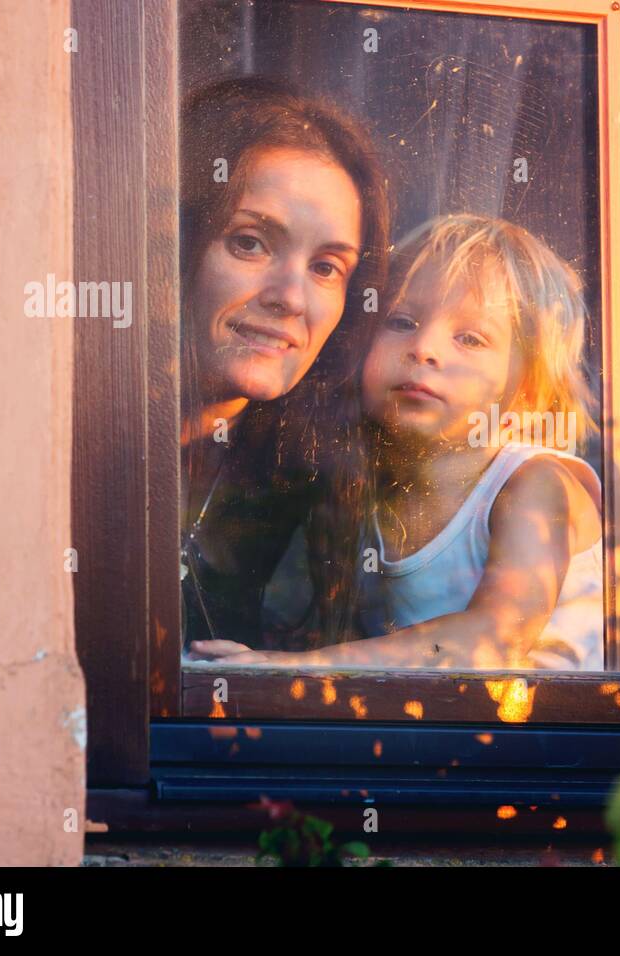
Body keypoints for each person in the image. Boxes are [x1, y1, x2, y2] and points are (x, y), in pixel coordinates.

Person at [190, 214, 620, 671]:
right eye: (401, 322)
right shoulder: (361, 492)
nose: (425, 348)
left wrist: (296, 669)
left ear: (527, 391)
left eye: (471, 339)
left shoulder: (535, 485)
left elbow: (493, 640)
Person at [178, 77, 389, 651]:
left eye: (326, 267)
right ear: (173, 240)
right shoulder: (66, 453)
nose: (291, 298)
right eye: (250, 243)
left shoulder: (325, 484)